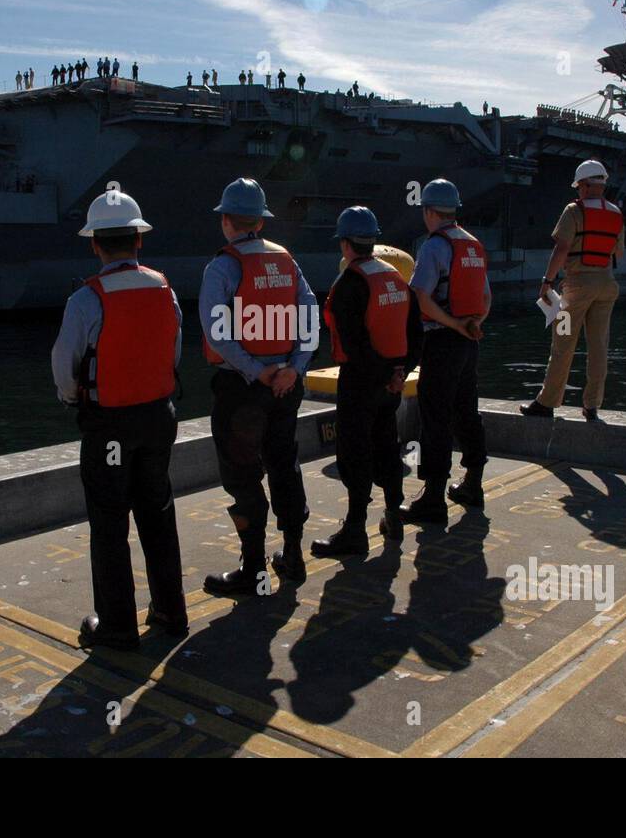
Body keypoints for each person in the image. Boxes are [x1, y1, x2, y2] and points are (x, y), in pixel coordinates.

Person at [50, 189, 187, 650]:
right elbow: (173, 353)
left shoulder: (86, 300)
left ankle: (117, 626)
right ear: (138, 240)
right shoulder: (165, 289)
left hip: (108, 425)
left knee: (110, 525)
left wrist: (76, 401)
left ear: (94, 245)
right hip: (158, 418)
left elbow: (64, 368)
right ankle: (171, 611)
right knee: (158, 513)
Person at [199, 177, 317, 595]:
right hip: (285, 386)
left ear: (226, 220)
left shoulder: (222, 266)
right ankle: (294, 555)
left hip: (242, 390)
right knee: (285, 464)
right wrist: (294, 368)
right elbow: (309, 313)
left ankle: (253, 569)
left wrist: (255, 370)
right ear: (261, 223)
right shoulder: (286, 260)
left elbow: (217, 335)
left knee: (243, 475)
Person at [312, 207, 422, 556]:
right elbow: (415, 333)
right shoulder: (396, 277)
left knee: (354, 453)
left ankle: (355, 531)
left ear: (345, 244)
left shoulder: (349, 284)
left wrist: (382, 374)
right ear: (372, 239)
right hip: (391, 383)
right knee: (387, 446)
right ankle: (393, 515)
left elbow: (355, 345)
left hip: (360, 382)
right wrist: (399, 372)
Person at [400, 178, 490, 525]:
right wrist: (472, 324)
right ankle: (472, 483)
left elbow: (420, 296)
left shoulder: (434, 246)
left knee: (435, 416)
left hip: (440, 340)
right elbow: (485, 299)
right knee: (467, 410)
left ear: (428, 212)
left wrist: (453, 325)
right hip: (470, 340)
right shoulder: (473, 245)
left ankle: (433, 498)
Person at [520, 159, 625, 423]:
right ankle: (592, 406)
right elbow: (618, 253)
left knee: (563, 344)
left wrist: (547, 281)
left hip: (576, 288)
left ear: (586, 185)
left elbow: (562, 248)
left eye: (579, 186)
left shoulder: (574, 210)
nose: (578, 190)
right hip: (607, 285)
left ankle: (547, 402)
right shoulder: (616, 213)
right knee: (599, 346)